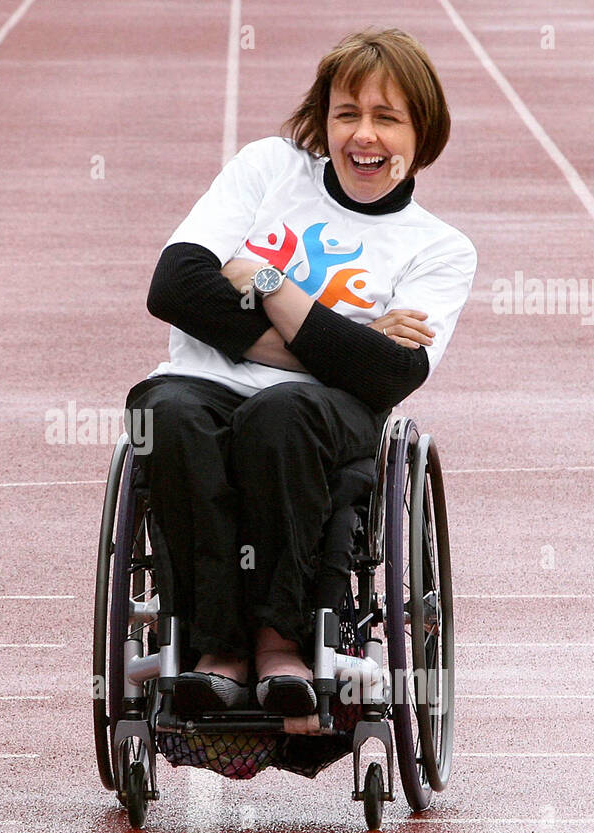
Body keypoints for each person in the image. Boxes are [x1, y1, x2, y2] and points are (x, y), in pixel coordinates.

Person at [127, 27, 477, 718]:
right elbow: (174, 285)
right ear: (323, 121)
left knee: (279, 415)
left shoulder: (440, 250)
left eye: (387, 118)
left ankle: (282, 640)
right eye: (347, 114)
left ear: (422, 131)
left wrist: (267, 280)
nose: (363, 137)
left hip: (320, 418)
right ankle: (216, 647)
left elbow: (387, 375)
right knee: (160, 411)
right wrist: (336, 343)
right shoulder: (269, 171)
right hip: (204, 388)